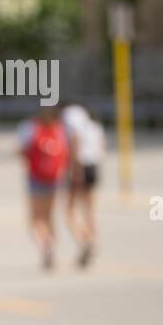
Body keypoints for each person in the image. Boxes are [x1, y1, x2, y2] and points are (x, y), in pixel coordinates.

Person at [16, 105, 70, 270]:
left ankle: (46, 244)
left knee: (36, 219)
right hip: (54, 178)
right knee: (49, 216)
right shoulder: (60, 130)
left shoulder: (31, 128)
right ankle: (52, 245)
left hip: (36, 178)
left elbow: (21, 151)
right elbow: (67, 152)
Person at [61, 102, 104, 267]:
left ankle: (85, 240)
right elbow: (102, 146)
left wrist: (74, 167)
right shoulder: (94, 126)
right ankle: (93, 239)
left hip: (79, 165)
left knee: (70, 211)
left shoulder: (71, 117)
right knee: (89, 209)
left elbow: (75, 139)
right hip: (94, 164)